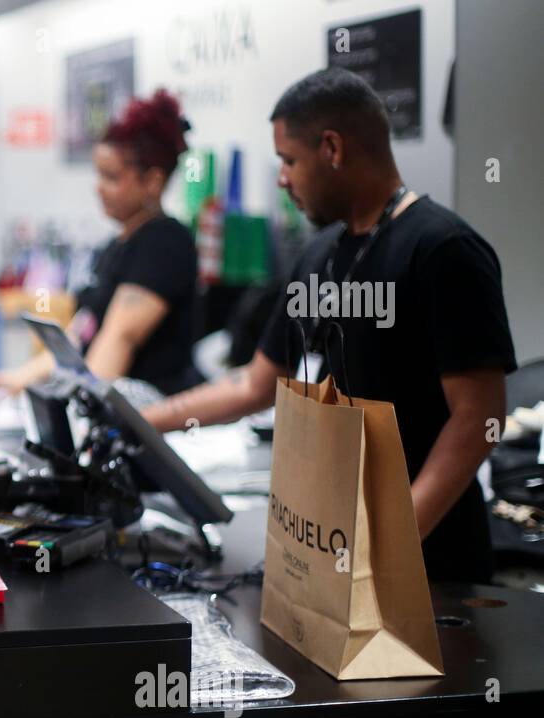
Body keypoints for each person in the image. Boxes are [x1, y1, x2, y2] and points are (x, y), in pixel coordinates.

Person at [142, 68, 517, 584]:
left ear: (333, 149)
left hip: (431, 565)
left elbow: (478, 420)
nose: (282, 177)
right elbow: (255, 384)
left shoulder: (442, 249)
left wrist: (389, 546)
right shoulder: (318, 256)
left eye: (288, 160)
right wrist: (142, 420)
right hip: (333, 547)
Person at [0, 90, 203, 396]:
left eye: (111, 177)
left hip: (149, 414)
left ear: (152, 181)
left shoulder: (163, 243)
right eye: (98, 175)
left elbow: (118, 339)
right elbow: (77, 339)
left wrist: (86, 410)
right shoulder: (114, 247)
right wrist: (14, 381)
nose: (98, 189)